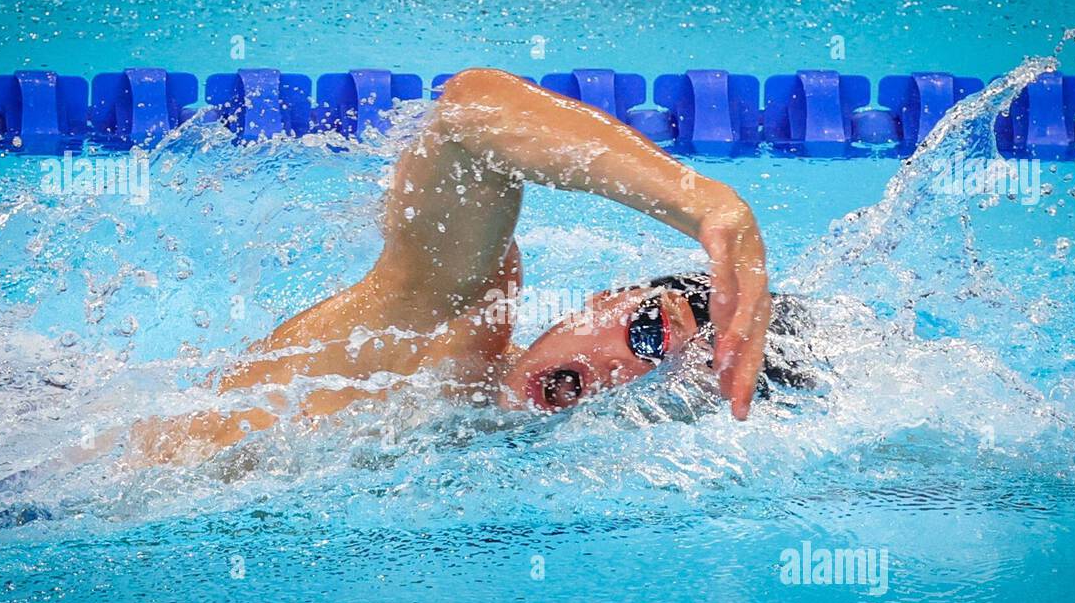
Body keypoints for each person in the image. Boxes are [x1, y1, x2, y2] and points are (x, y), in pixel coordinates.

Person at [129, 68, 774, 465]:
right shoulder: (453, 317)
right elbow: (470, 113)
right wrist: (709, 206)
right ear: (607, 298)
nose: (626, 371)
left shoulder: (499, 457)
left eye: (660, 383)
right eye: (648, 333)